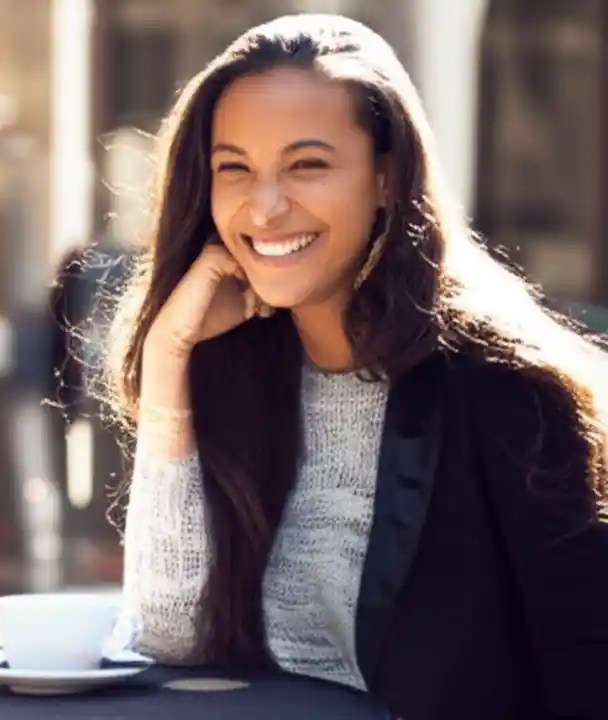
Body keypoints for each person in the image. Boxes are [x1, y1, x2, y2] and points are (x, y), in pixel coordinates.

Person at [101, 14, 608, 720]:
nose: (266, 205)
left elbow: (588, 673)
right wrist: (166, 361)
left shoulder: (512, 396)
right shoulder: (232, 378)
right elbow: (171, 645)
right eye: (234, 168)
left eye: (307, 164)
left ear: (385, 176)